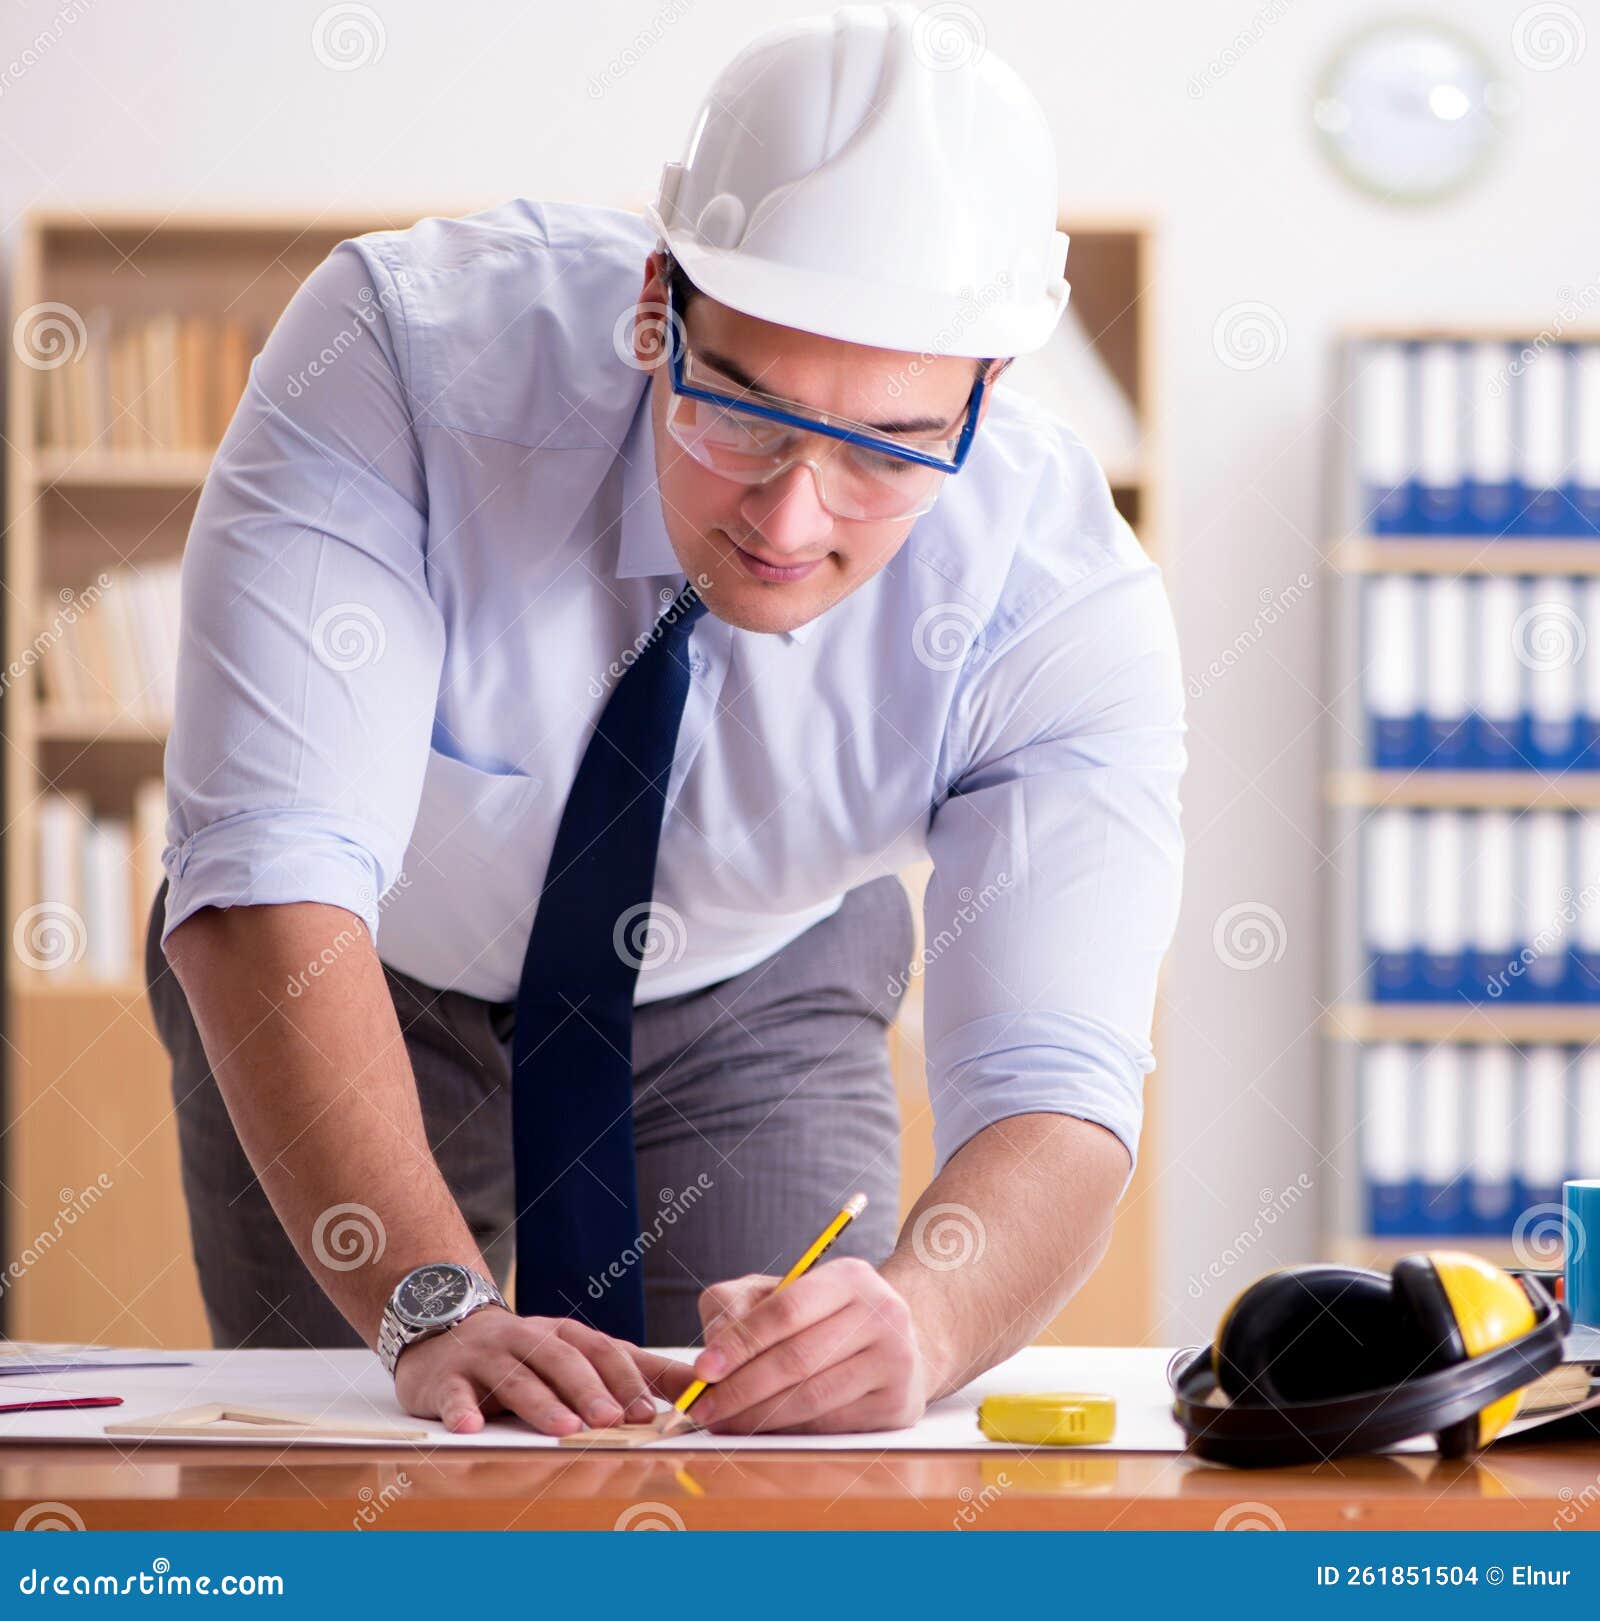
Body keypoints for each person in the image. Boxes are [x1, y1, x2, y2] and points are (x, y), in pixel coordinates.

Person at [149, 1, 1186, 1438]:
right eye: (742, 410)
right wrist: (428, 1304)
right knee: (346, 1457)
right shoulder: (402, 356)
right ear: (659, 301)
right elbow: (267, 870)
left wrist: (930, 1319)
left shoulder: (1058, 597)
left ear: (985, 396)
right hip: (356, 971)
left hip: (753, 982)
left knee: (783, 1444)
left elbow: (1059, 1080)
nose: (789, 515)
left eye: (883, 449)